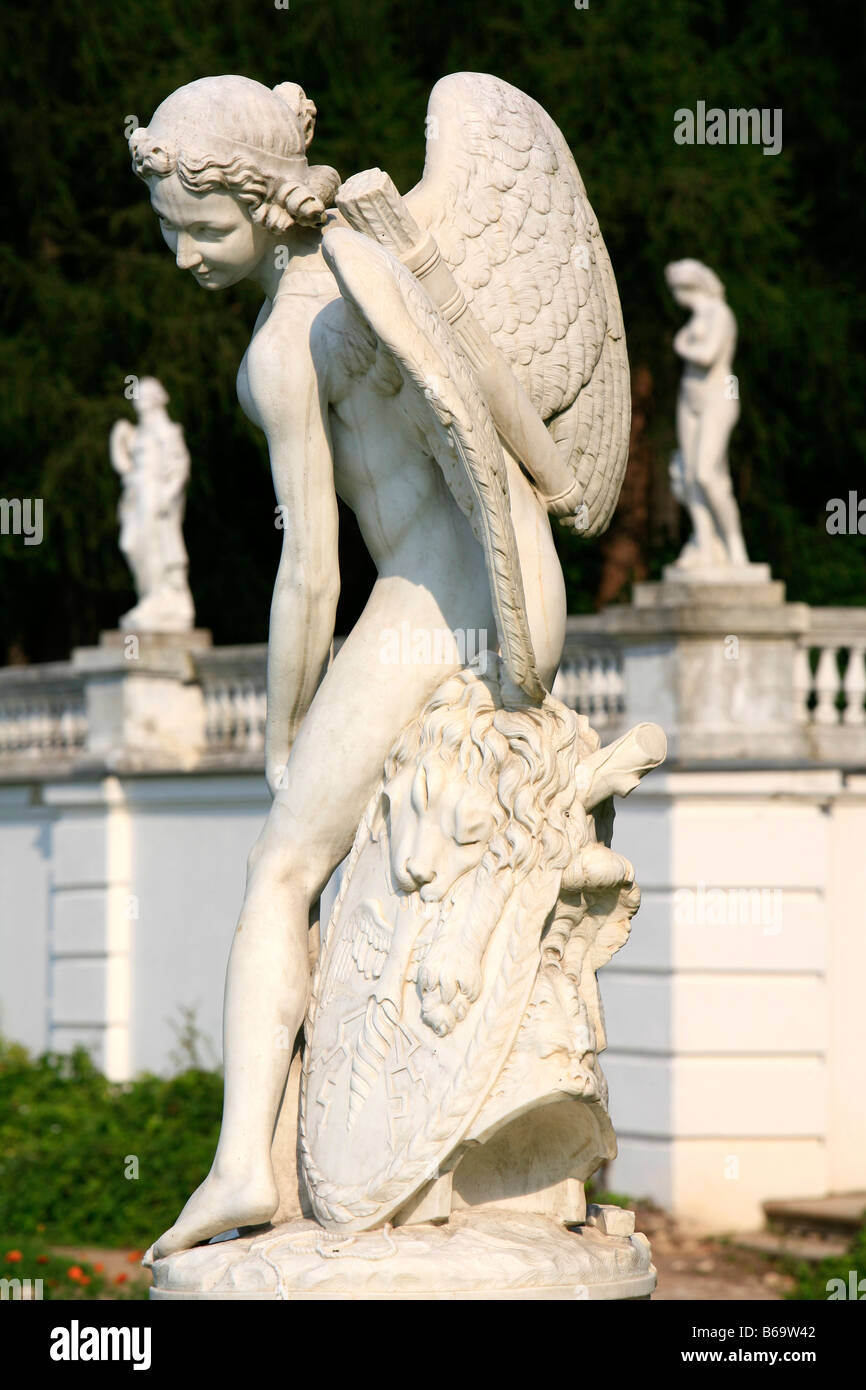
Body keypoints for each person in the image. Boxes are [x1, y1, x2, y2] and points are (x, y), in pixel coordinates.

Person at [129, 75, 566, 1256]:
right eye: (168, 230)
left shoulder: (284, 346)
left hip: (420, 607)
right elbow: (525, 437)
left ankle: (238, 1168)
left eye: (202, 229)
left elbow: (310, 575)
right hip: (496, 598)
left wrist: (280, 735)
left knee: (281, 871)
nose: (182, 257)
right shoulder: (396, 264)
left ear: (266, 205)